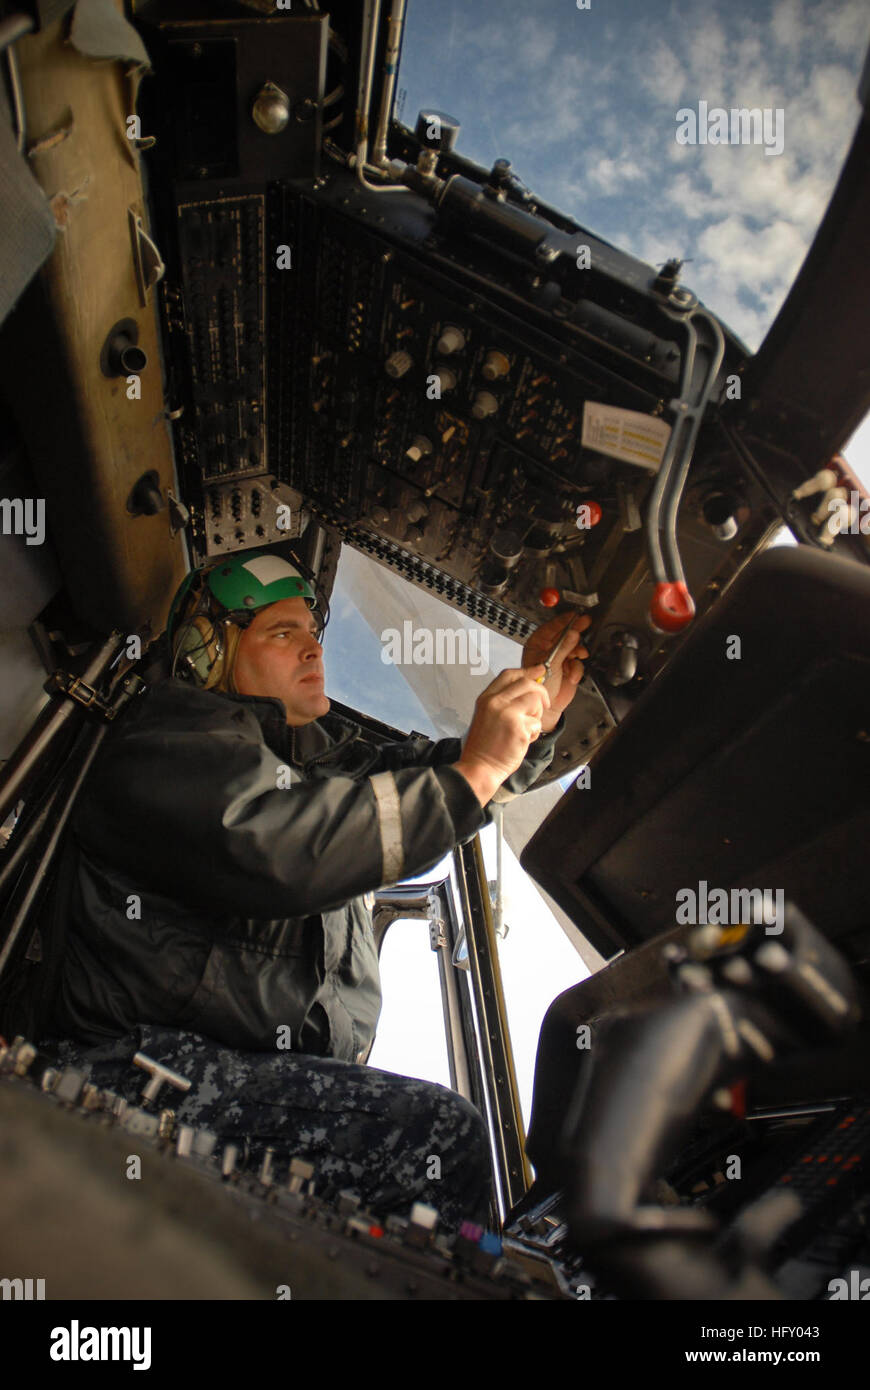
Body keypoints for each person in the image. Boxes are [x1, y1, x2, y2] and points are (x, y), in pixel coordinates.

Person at [40, 546, 591, 1231]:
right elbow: (274, 848)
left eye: (312, 630)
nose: (313, 649)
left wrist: (534, 720)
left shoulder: (319, 764)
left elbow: (428, 783)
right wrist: (473, 774)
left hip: (239, 1077)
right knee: (434, 1135)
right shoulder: (167, 738)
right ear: (206, 653)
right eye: (282, 632)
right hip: (128, 1074)